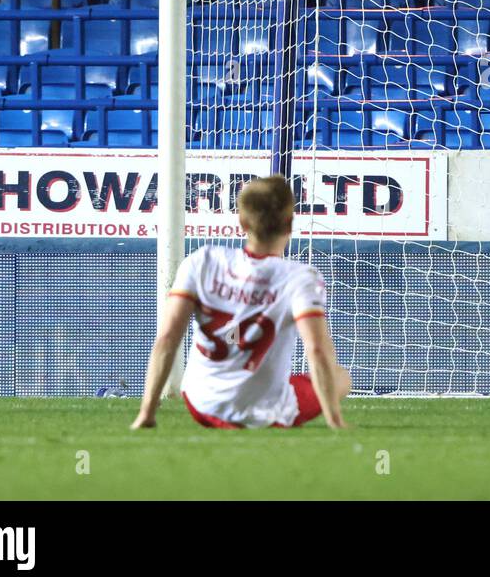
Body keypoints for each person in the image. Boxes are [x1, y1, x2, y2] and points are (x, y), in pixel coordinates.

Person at [131, 175, 350, 429]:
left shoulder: (201, 261)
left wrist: (146, 412)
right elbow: (317, 350)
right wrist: (336, 422)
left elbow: (167, 338)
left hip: (201, 402)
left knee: (233, 335)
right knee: (341, 377)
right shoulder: (300, 277)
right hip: (265, 414)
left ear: (242, 222)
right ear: (289, 223)